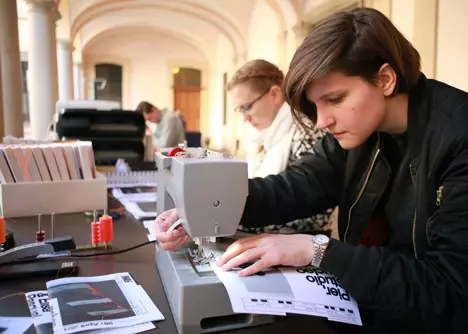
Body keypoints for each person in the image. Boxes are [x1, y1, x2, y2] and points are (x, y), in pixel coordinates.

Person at [154, 7, 468, 334]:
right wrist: (208, 208)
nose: (321, 121)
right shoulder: (359, 130)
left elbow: (449, 292)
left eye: (335, 98)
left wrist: (315, 249)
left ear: (385, 79)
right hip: (373, 306)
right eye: (316, 105)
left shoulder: (459, 136)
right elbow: (301, 185)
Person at [227, 59, 333, 235]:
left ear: (275, 94)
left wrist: (230, 220)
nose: (244, 118)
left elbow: (313, 215)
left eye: (247, 107)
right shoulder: (265, 137)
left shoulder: (305, 133)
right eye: (240, 110)